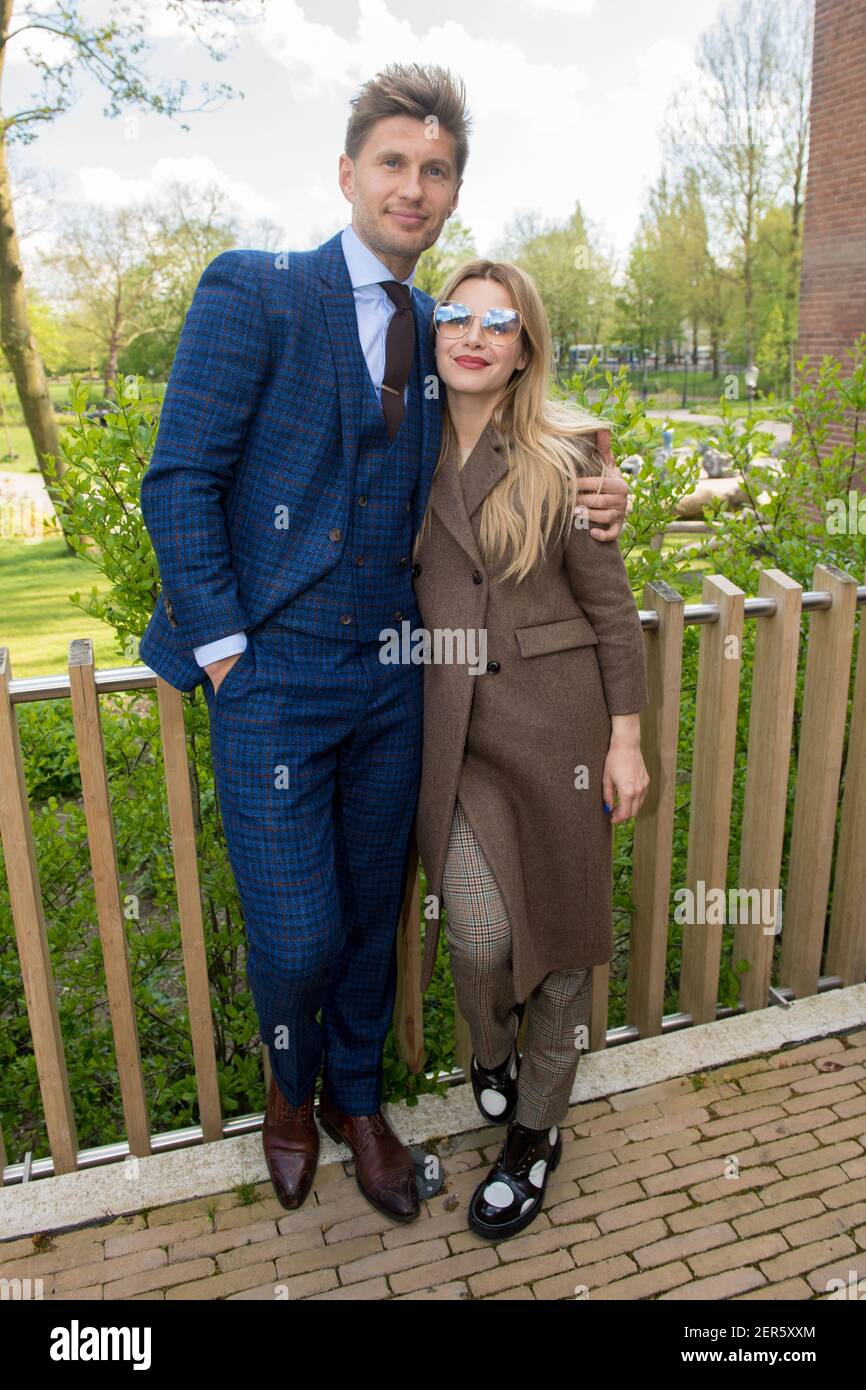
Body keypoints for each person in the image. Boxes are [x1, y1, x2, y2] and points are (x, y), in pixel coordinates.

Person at [138, 63, 629, 1225]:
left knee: (368, 915)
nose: (413, 186)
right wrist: (222, 654)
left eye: (436, 169)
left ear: (454, 192)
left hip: (398, 688)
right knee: (299, 931)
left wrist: (605, 488)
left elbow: (517, 446)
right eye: (394, 163)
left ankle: (360, 1101)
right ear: (348, 172)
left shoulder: (437, 322)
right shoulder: (254, 290)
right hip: (269, 676)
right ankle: (287, 1094)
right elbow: (179, 482)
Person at [412, 259, 649, 1240]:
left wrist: (626, 741)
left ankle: (536, 1136)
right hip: (452, 738)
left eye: (496, 324)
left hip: (560, 735)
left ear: (523, 350)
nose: (472, 334)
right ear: (431, 336)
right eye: (453, 317)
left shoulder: (566, 459)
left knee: (557, 947)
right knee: (476, 932)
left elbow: (611, 613)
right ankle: (489, 1050)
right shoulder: (394, 449)